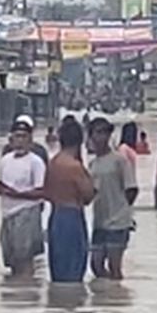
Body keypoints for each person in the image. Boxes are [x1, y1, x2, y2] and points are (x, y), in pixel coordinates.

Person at [0, 118, 47, 277]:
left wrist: (17, 194)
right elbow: (0, 185)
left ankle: (26, 287)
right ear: (11, 139)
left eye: (24, 136)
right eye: (17, 136)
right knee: (11, 259)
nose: (20, 141)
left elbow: (42, 191)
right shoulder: (5, 160)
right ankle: (17, 288)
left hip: (27, 213)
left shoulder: (36, 162)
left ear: (30, 140)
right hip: (7, 215)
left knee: (25, 259)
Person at [43, 121, 95, 283]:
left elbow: (47, 192)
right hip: (72, 218)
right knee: (74, 270)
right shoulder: (75, 167)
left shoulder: (52, 163)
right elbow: (88, 195)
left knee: (58, 270)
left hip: (56, 216)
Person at [87, 118, 138, 279]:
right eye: (98, 132)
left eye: (105, 132)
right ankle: (105, 292)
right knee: (96, 265)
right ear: (91, 136)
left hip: (118, 222)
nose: (101, 137)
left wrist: (123, 211)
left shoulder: (120, 160)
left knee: (114, 266)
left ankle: (116, 291)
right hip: (99, 221)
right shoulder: (92, 164)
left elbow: (132, 189)